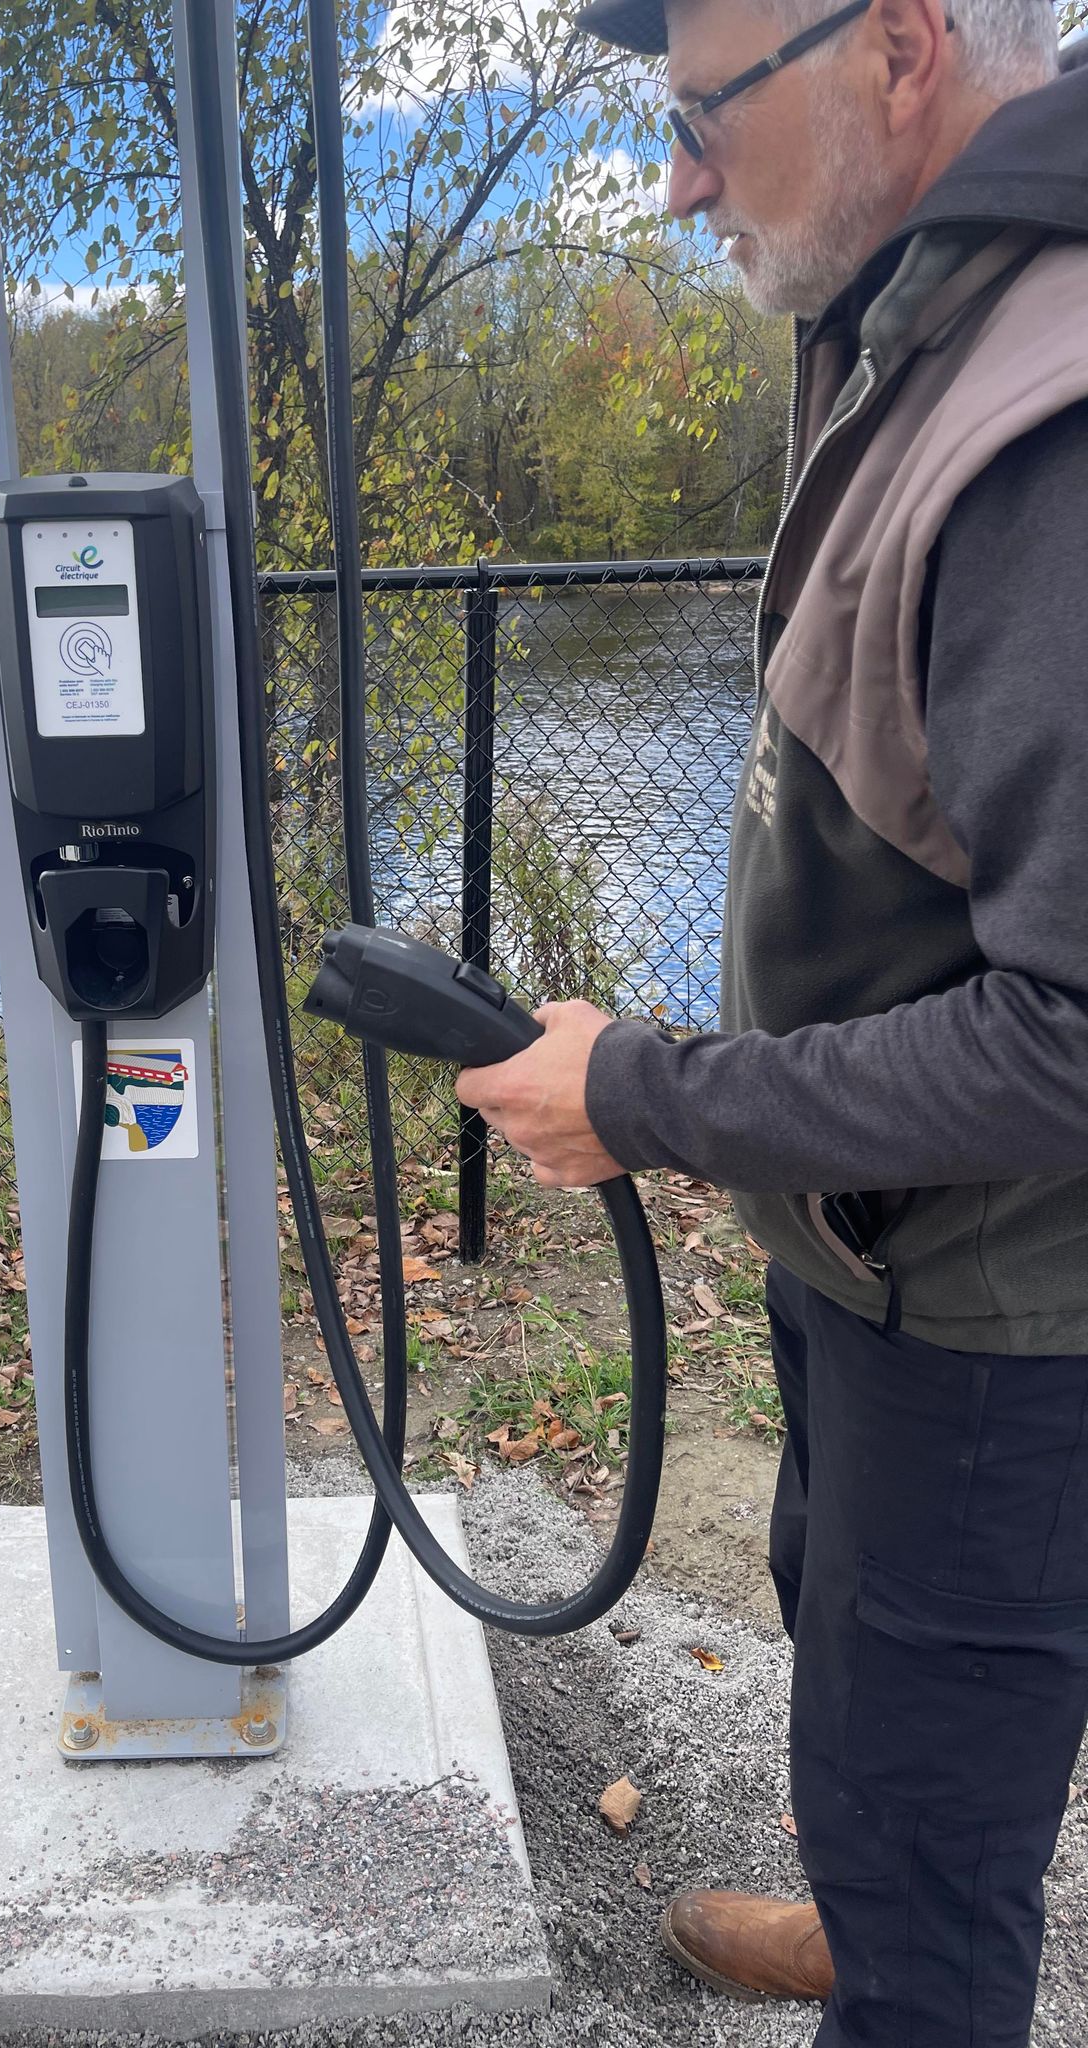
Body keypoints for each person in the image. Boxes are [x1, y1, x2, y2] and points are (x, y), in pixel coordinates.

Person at [455, 2, 1088, 2039]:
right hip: (876, 1248)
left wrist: (650, 1092)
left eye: (708, 114)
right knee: (856, 1645)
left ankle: (904, 1930)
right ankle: (877, 1869)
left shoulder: (1052, 424)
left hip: (1003, 1325)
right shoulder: (914, 317)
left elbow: (1075, 1033)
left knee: (933, 1815)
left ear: (899, 43)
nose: (679, 178)